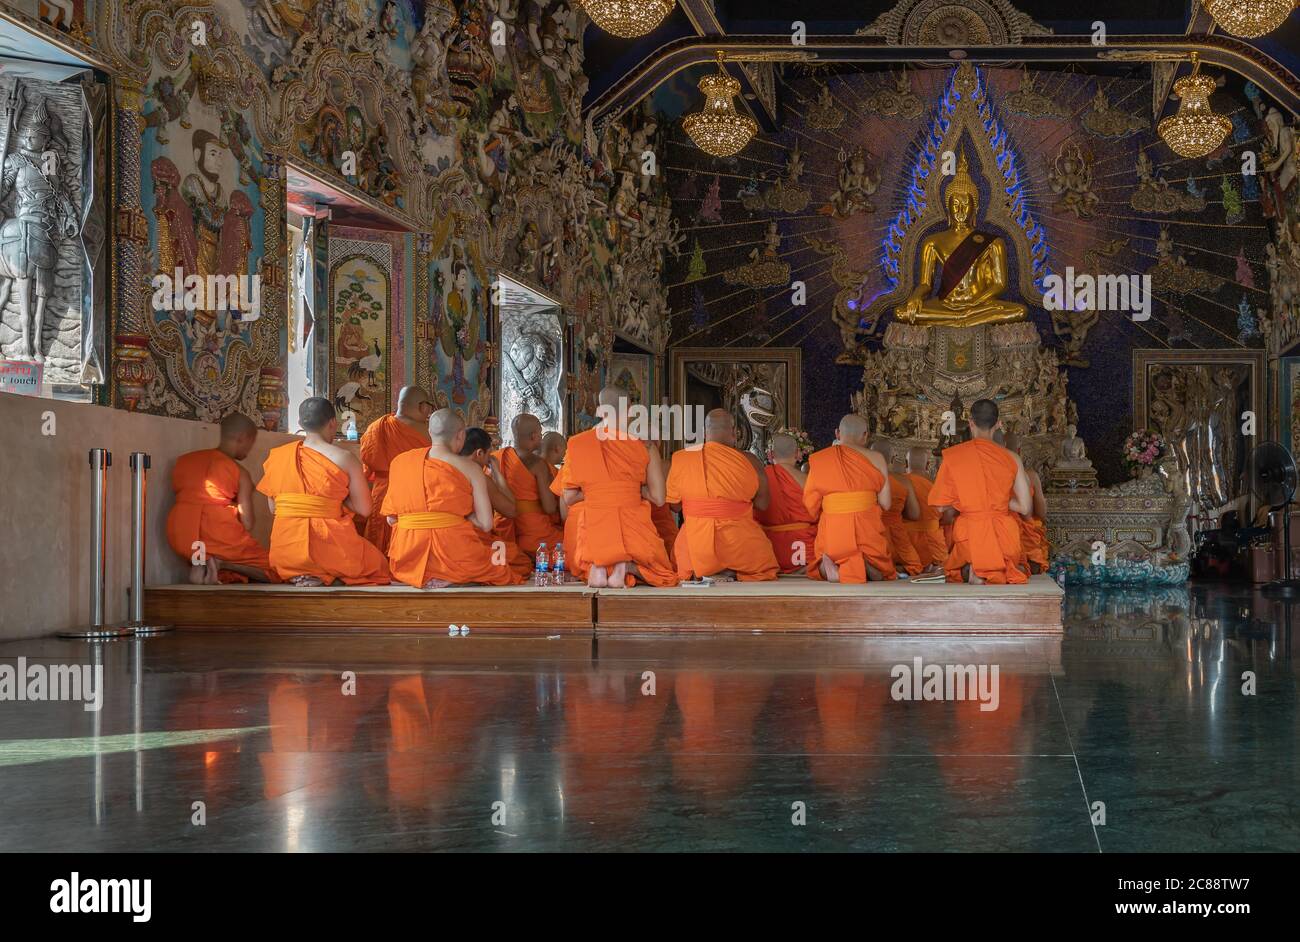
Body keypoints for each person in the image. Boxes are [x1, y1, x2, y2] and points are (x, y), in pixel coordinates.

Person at [383, 409, 523, 588]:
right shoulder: (470, 468)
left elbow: (391, 519)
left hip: (408, 558)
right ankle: (449, 575)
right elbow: (486, 524)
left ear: (430, 432)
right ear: (460, 435)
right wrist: (465, 517)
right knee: (501, 567)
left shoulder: (400, 462)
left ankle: (425, 575)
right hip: (457, 553)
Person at [257, 397, 390, 585]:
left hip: (285, 552)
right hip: (330, 547)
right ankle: (330, 575)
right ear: (333, 423)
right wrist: (334, 500)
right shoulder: (344, 458)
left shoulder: (279, 457)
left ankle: (305, 573)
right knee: (378, 566)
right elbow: (365, 509)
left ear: (300, 423)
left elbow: (274, 508)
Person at [558, 386, 678, 588]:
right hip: (633, 523)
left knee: (587, 560)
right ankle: (625, 565)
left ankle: (603, 563)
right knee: (663, 574)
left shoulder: (578, 444)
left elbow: (569, 498)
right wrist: (632, 489)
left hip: (594, 527)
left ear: (599, 409)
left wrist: (600, 491)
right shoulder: (644, 446)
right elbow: (658, 498)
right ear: (629, 409)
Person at [665, 409, 779, 582]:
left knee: (684, 550)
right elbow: (763, 504)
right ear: (734, 432)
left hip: (695, 548)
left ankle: (703, 568)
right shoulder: (750, 460)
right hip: (739, 545)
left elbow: (674, 506)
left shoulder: (683, 458)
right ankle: (730, 569)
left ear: (704, 432)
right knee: (763, 565)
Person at [929, 399, 1032, 584]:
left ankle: (973, 566)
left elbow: (940, 507)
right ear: (999, 424)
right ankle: (991, 568)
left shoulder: (954, 456)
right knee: (1011, 563)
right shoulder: (1012, 458)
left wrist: (970, 497)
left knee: (963, 559)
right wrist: (997, 499)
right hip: (1003, 537)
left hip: (968, 537)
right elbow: (1024, 507)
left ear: (970, 423)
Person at [166, 413, 276, 584]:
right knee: (275, 570)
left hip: (180, 533)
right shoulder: (240, 473)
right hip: (216, 532)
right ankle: (222, 563)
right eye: (251, 443)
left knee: (213, 557)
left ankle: (203, 566)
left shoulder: (185, 461)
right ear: (243, 438)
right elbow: (247, 523)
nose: (249, 449)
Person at [804, 415, 896, 582]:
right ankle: (865, 565)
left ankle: (830, 568)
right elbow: (886, 503)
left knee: (820, 564)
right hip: (866, 527)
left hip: (833, 530)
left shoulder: (821, 459)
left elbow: (811, 505)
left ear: (837, 433)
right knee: (882, 571)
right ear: (865, 435)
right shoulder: (877, 458)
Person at [359, 386, 433, 552]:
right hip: (415, 493)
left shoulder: (376, 427)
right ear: (423, 407)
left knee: (378, 538)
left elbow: (367, 461)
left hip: (382, 493)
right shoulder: (429, 431)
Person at [459, 426, 533, 579]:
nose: (488, 459)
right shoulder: (480, 478)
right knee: (522, 562)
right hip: (475, 543)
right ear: (479, 453)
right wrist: (497, 472)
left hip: (448, 540)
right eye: (488, 455)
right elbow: (511, 510)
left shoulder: (445, 470)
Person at [495, 414, 564, 555]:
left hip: (502, 528)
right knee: (569, 545)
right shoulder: (538, 464)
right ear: (533, 436)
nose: (541, 437)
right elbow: (549, 507)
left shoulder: (497, 458)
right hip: (532, 529)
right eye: (540, 433)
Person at [754, 432, 817, 573]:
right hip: (804, 548)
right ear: (797, 453)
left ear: (770, 454)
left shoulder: (761, 479)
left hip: (767, 549)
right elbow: (819, 514)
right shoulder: (807, 480)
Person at [871, 440, 931, 579]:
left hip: (873, 531)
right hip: (897, 534)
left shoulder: (866, 479)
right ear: (893, 458)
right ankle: (892, 569)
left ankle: (880, 568)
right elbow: (915, 514)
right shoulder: (903, 481)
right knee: (915, 566)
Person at [1003, 431, 1050, 574]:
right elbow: (1041, 513)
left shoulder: (992, 474)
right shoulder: (1030, 475)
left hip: (1001, 532)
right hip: (1023, 533)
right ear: (1019, 451)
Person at [903, 446, 948, 569]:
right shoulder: (937, 487)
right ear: (928, 465)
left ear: (906, 463)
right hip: (934, 546)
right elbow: (948, 518)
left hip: (907, 546)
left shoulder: (900, 483)